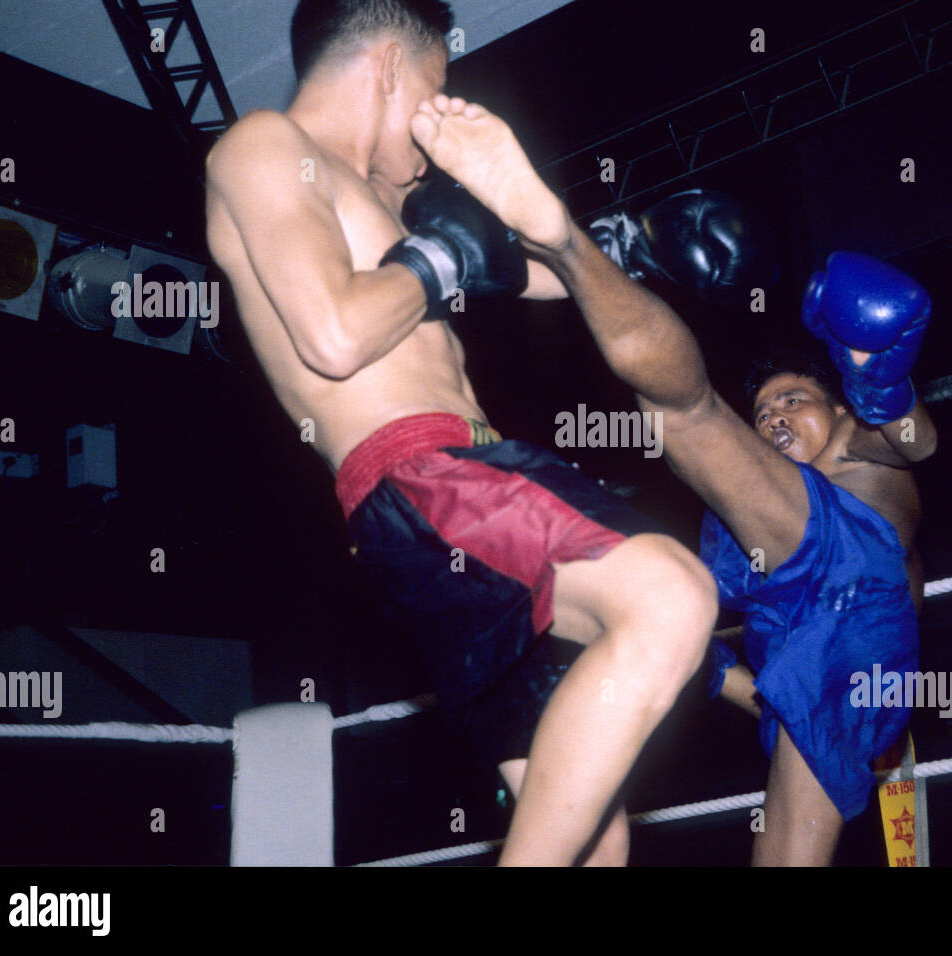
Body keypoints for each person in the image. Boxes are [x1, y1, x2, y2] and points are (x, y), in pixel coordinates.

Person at [203, 0, 718, 866]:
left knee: (598, 843)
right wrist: (441, 256)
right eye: (438, 83)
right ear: (392, 65)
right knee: (672, 594)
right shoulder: (263, 147)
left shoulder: (387, 201)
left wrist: (637, 244)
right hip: (423, 478)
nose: (437, 122)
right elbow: (333, 336)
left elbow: (517, 265)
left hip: (451, 529)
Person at [403, 93, 937, 865]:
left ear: (835, 405)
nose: (776, 417)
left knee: (683, 411)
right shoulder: (742, 523)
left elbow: (919, 443)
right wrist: (705, 667)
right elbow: (744, 672)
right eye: (764, 411)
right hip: (806, 665)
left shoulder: (862, 450)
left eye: (793, 399)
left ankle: (573, 244)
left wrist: (885, 385)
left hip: (860, 617)